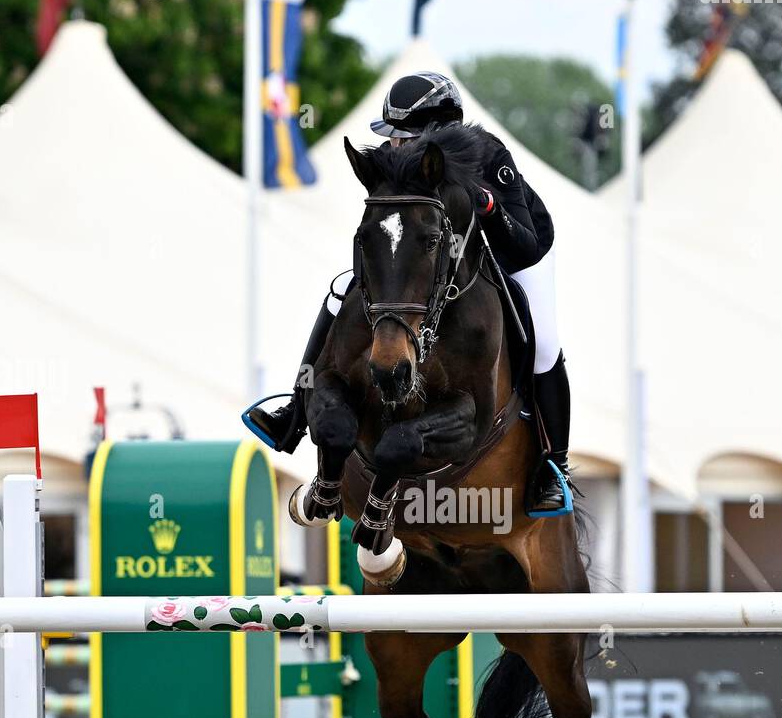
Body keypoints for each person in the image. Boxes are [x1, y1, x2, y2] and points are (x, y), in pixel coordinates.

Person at [245, 72, 572, 511]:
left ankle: (554, 464)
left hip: (517, 250)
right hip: (430, 263)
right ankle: (295, 413)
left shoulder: (488, 157)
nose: (394, 145)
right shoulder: (393, 159)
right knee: (344, 288)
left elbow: (523, 245)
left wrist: (489, 207)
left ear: (438, 130)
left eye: (404, 135)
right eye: (391, 136)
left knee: (544, 342)